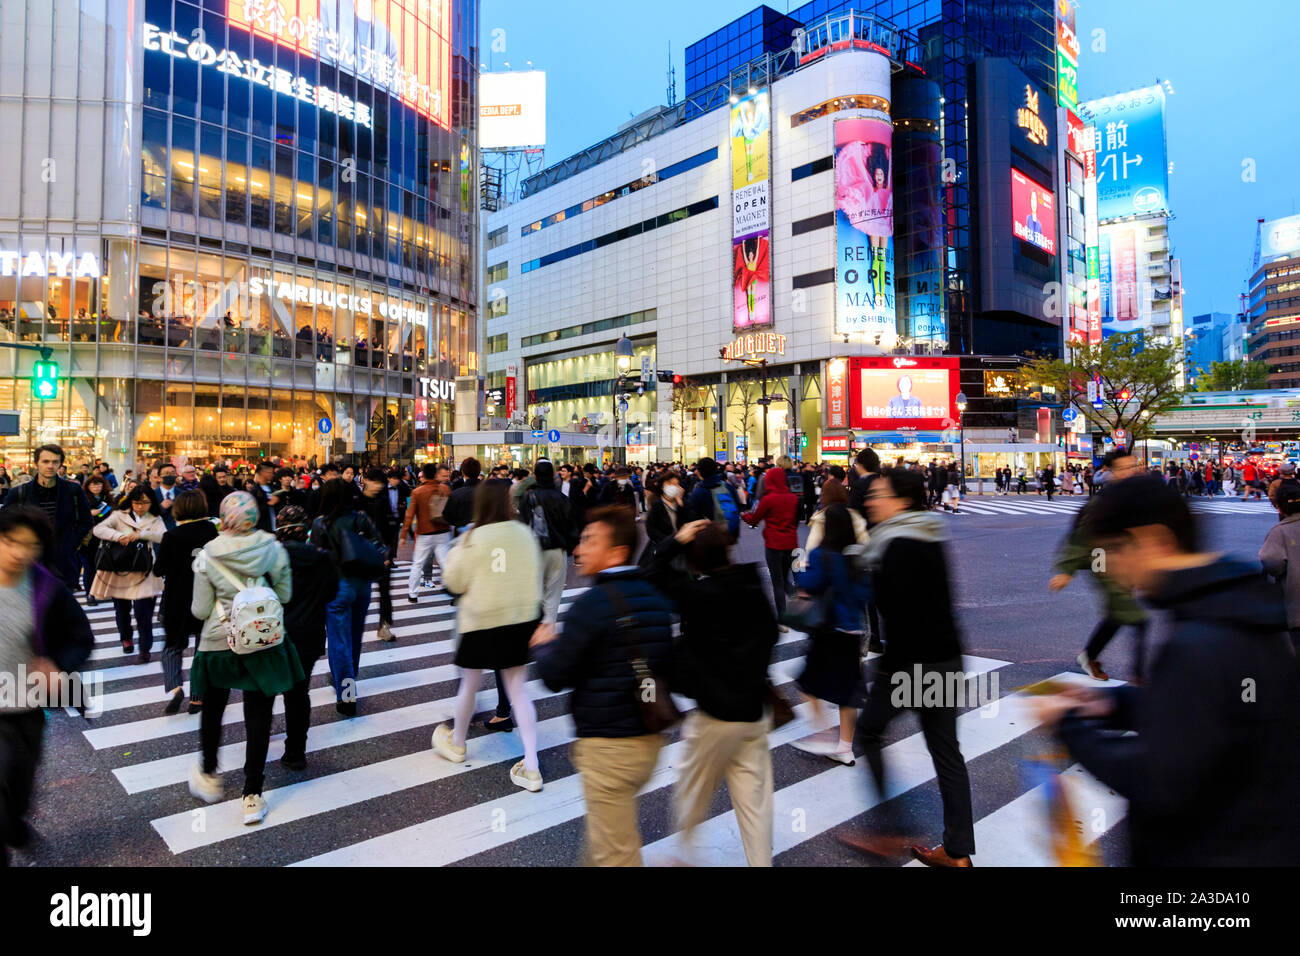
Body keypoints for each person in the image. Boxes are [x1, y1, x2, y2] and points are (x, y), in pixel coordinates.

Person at [1031, 475, 1300, 865]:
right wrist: (1112, 705)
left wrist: (1069, 724)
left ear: (1153, 539)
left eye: (1113, 551)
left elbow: (1158, 779)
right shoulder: (1236, 609)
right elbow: (1207, 716)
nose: (1111, 570)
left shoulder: (1201, 639)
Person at [842, 468, 975, 867]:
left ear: (901, 501)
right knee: (946, 752)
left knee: (867, 732)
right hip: (945, 655)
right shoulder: (929, 531)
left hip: (912, 665)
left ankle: (890, 830)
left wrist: (889, 671)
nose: (870, 500)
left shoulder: (895, 545)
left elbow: (902, 615)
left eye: (879, 494)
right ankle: (957, 852)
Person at [531, 506, 674, 865]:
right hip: (648, 739)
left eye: (589, 541)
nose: (579, 550)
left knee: (616, 854)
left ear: (617, 552)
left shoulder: (591, 607)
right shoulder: (656, 601)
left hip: (609, 747)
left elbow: (555, 676)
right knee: (604, 844)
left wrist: (544, 646)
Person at [645, 519, 779, 866]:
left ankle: (683, 854)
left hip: (714, 717)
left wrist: (675, 540)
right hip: (754, 711)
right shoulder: (752, 585)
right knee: (755, 802)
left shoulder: (699, 596)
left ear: (694, 561)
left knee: (693, 791)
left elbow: (651, 574)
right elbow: (770, 636)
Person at [187, 492, 298, 825]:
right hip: (261, 639)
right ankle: (252, 794)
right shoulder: (273, 548)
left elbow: (199, 609)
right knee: (259, 715)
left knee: (214, 707)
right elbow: (286, 594)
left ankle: (208, 772)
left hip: (218, 641)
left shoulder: (208, 554)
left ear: (224, 518)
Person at [432, 481, 544, 792]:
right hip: (519, 620)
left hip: (479, 622)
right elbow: (535, 575)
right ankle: (532, 766)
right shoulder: (524, 534)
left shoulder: (471, 538)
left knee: (470, 683)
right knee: (518, 690)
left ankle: (457, 743)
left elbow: (453, 582)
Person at [0, 507, 93, 866]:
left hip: (25, 706)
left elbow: (80, 638)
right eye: (10, 542)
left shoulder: (44, 587)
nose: (19, 553)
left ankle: (14, 824)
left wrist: (58, 665)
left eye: (30, 545)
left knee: (19, 786)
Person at [1050, 451, 1148, 681]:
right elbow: (1081, 536)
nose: (1130, 473)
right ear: (1111, 473)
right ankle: (1140, 674)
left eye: (1132, 467)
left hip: (1123, 559)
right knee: (1137, 617)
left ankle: (1089, 655)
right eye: (1123, 469)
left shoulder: (1133, 496)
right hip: (1101, 557)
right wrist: (1066, 570)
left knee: (1117, 613)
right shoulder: (1103, 501)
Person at [790, 503, 871, 766]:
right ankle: (845, 746)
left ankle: (824, 732)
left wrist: (802, 572)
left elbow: (808, 584)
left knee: (806, 682)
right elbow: (866, 594)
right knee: (849, 691)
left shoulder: (823, 555)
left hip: (829, 629)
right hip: (853, 629)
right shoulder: (858, 556)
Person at [310, 478, 387, 716]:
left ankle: (346, 693)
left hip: (336, 587)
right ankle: (347, 679)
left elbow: (315, 559)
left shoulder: (320, 523)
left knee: (338, 641)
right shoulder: (360, 519)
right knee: (354, 638)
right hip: (362, 585)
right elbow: (381, 549)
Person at [274, 505, 340, 771]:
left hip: (274, 632)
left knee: (264, 687)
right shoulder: (322, 558)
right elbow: (331, 593)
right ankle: (295, 751)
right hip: (310, 631)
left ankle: (262, 734)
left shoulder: (271, 557)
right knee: (299, 693)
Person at [154, 490, 218, 715]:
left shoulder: (172, 536)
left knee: (172, 646)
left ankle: (176, 687)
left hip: (176, 599)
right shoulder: (213, 532)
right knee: (203, 649)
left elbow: (158, 569)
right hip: (207, 597)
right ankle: (198, 698)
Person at [2, 444, 93, 591]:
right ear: (36, 463)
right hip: (27, 565)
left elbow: (86, 521)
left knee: (62, 611)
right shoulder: (19, 493)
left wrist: (71, 542)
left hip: (63, 564)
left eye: (55, 462)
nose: (50, 466)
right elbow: (5, 525)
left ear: (60, 464)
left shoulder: (73, 491)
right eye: (45, 461)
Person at [90, 485, 165, 661]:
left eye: (145, 502)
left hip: (143, 569)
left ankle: (145, 648)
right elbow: (98, 529)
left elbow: (163, 536)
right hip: (119, 567)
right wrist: (118, 536)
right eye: (137, 502)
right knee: (121, 609)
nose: (141, 507)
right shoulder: (118, 515)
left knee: (143, 612)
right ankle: (126, 638)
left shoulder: (155, 518)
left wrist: (141, 535)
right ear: (131, 501)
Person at [517, 459, 579, 634]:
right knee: (553, 594)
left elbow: (522, 524)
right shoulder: (561, 498)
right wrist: (569, 545)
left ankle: (534, 631)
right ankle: (548, 630)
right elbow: (571, 525)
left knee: (535, 593)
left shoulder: (528, 498)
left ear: (535, 476)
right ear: (554, 475)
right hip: (557, 550)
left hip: (533, 550)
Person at [741, 465, 799, 624]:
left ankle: (783, 620)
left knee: (778, 582)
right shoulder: (793, 498)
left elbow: (754, 520)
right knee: (787, 579)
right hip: (791, 543)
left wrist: (744, 516)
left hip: (774, 545)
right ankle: (799, 602)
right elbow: (796, 519)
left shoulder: (769, 499)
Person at [359, 467, 399, 642]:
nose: (377, 486)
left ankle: (384, 626)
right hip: (360, 552)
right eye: (374, 482)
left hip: (381, 552)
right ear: (365, 480)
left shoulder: (383, 501)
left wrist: (389, 553)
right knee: (360, 591)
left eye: (380, 483)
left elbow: (390, 527)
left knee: (384, 590)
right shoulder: (357, 500)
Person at [403, 463, 450, 601]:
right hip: (443, 530)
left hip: (425, 532)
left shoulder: (417, 492)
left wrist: (404, 534)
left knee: (418, 563)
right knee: (445, 562)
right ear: (436, 474)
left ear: (423, 475)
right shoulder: (445, 489)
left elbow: (409, 515)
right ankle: (453, 588)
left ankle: (413, 594)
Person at [77, 473, 114, 606]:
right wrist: (89, 514)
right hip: (87, 538)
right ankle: (90, 594)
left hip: (104, 536)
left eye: (99, 484)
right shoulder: (82, 498)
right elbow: (76, 516)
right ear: (88, 486)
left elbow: (111, 514)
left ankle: (101, 591)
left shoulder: (108, 499)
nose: (96, 487)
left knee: (103, 565)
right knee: (89, 566)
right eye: (93, 484)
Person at [687, 457, 740, 539]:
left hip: (710, 536)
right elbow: (737, 506)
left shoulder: (698, 492)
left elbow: (694, 516)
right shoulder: (727, 487)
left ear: (699, 472)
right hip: (729, 533)